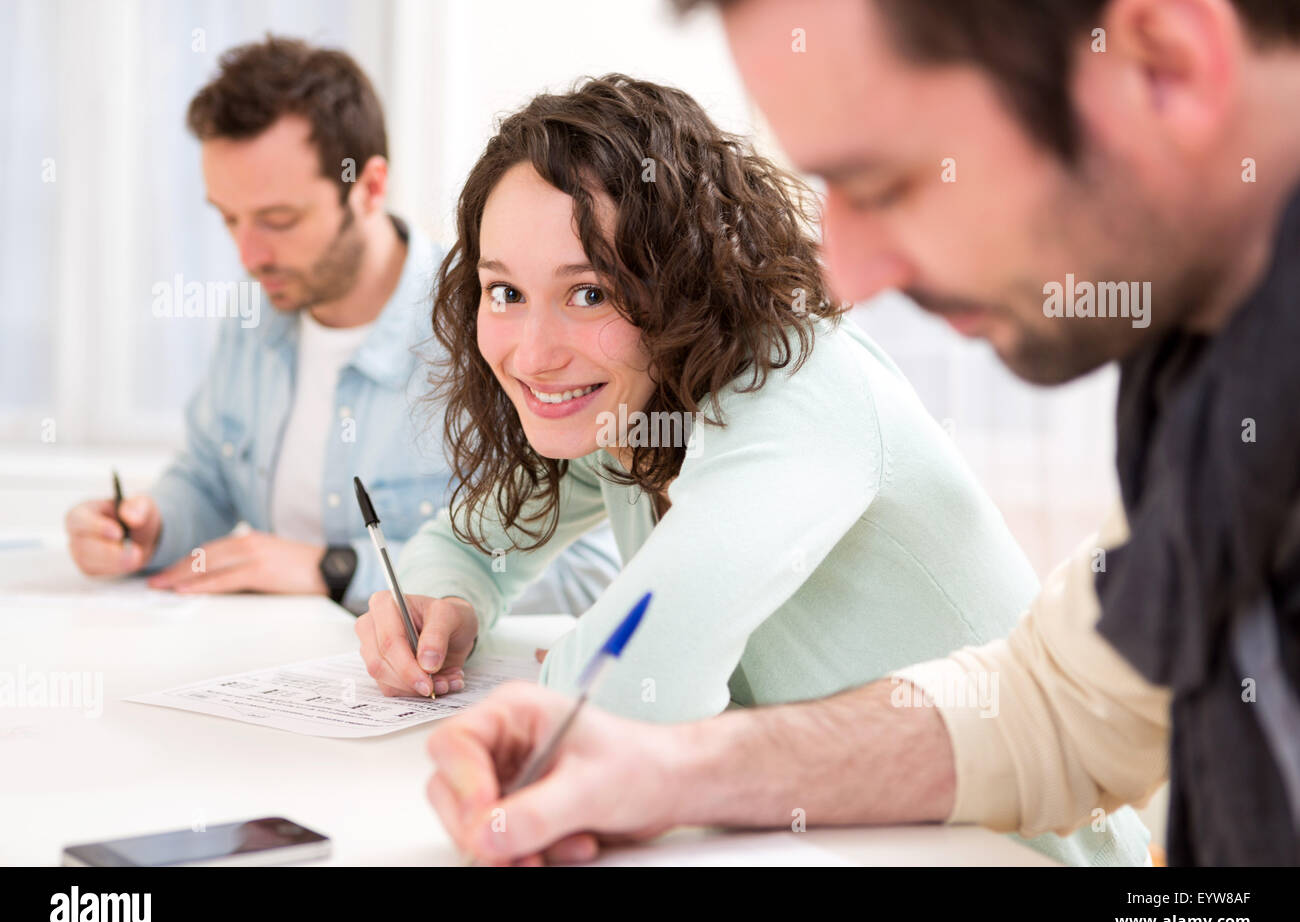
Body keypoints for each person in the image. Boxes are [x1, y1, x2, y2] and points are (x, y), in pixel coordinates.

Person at [422, 0, 1300, 866]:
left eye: (890, 183)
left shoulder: (796, 380)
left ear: (1165, 63)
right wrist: (671, 773)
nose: (849, 272)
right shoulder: (1206, 372)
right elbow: (1059, 710)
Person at [61, 37, 619, 636]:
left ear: (370, 187)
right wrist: (153, 525)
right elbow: (207, 476)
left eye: (279, 220)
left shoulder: (501, 330)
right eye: (229, 219)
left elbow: (584, 572)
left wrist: (335, 570)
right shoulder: (256, 317)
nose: (249, 254)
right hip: (262, 664)